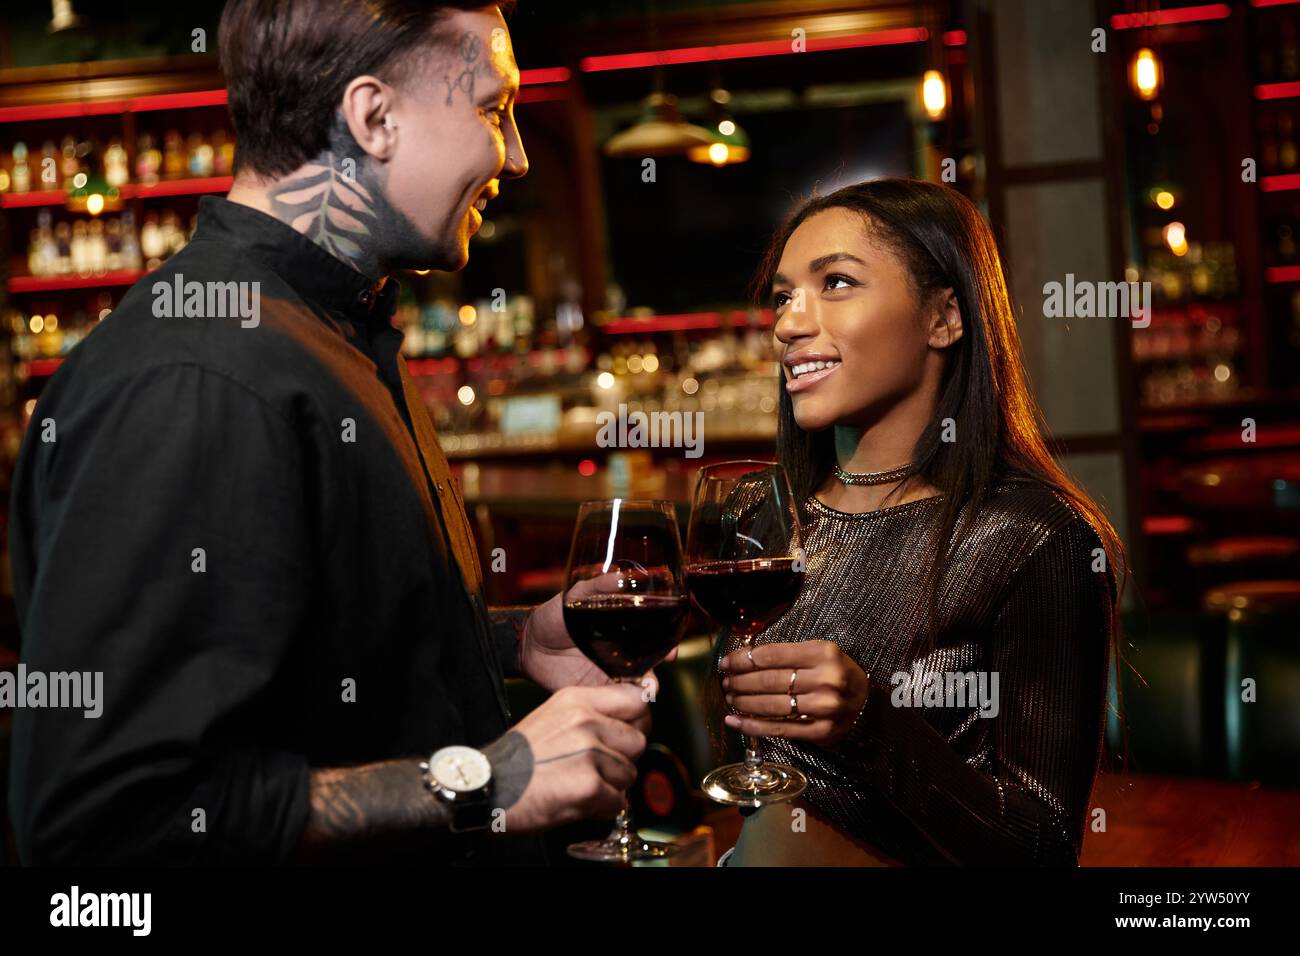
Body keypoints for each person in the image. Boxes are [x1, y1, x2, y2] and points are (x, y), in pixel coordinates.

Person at [8, 0, 654, 865]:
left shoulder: (330, 324)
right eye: (495, 111)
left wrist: (507, 642)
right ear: (374, 118)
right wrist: (481, 781)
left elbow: (313, 658)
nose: (518, 154)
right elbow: (110, 820)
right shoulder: (195, 380)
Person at [716, 178, 1125, 866]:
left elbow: (1042, 848)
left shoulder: (1031, 537)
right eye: (784, 296)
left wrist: (868, 724)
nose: (788, 323)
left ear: (944, 318)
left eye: (837, 283)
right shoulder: (760, 516)